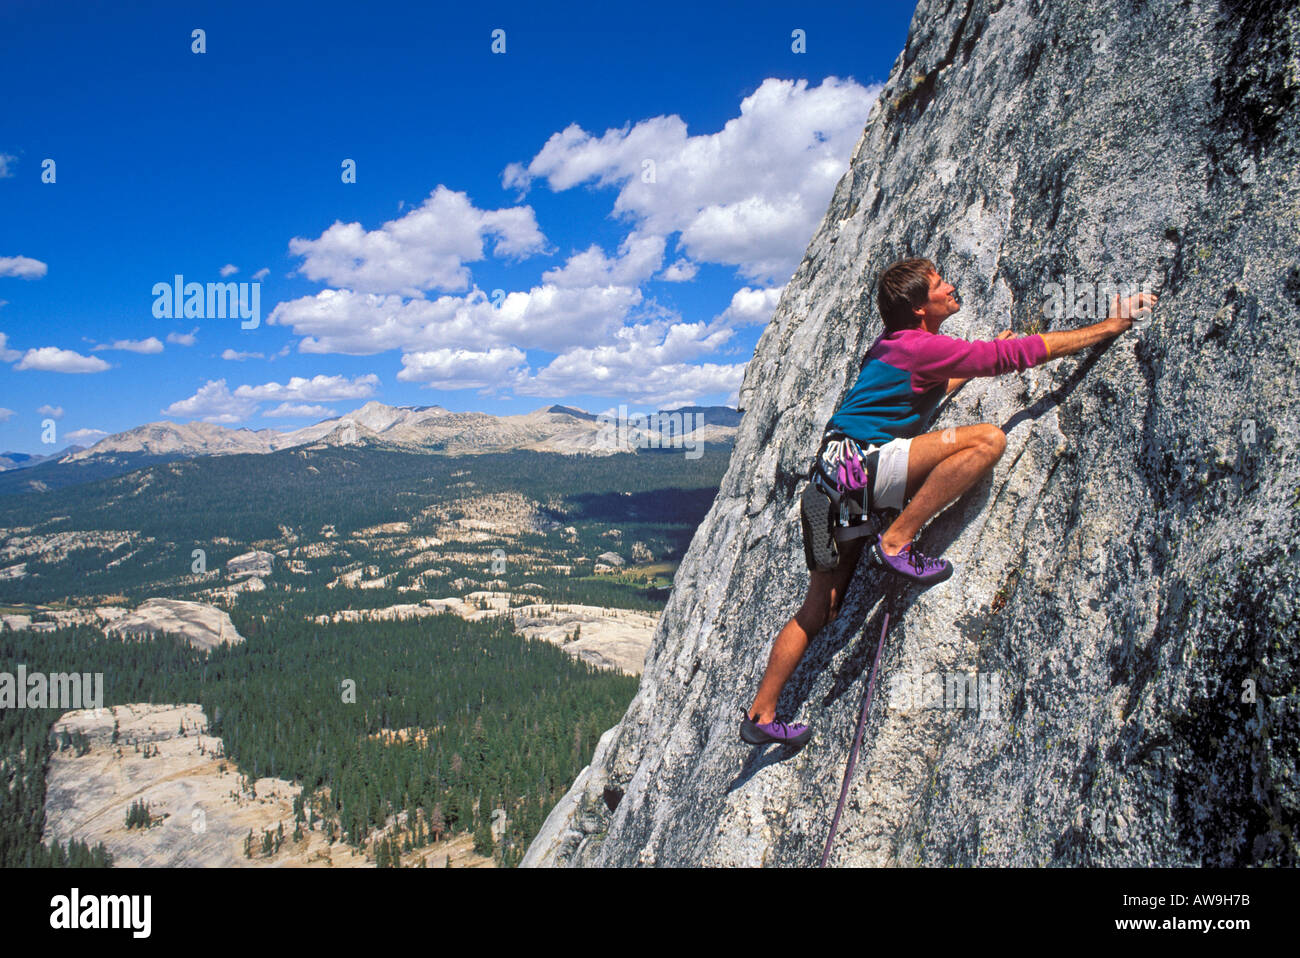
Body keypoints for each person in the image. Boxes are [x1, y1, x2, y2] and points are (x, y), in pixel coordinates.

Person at [740, 257, 1156, 746]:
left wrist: (972, 365)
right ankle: (897, 541)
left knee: (819, 609)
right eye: (940, 285)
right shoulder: (920, 346)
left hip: (827, 484)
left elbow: (925, 384)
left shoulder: (893, 347)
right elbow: (1017, 357)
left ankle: (760, 714)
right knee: (986, 441)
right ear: (920, 309)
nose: (951, 287)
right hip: (860, 474)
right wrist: (1110, 326)